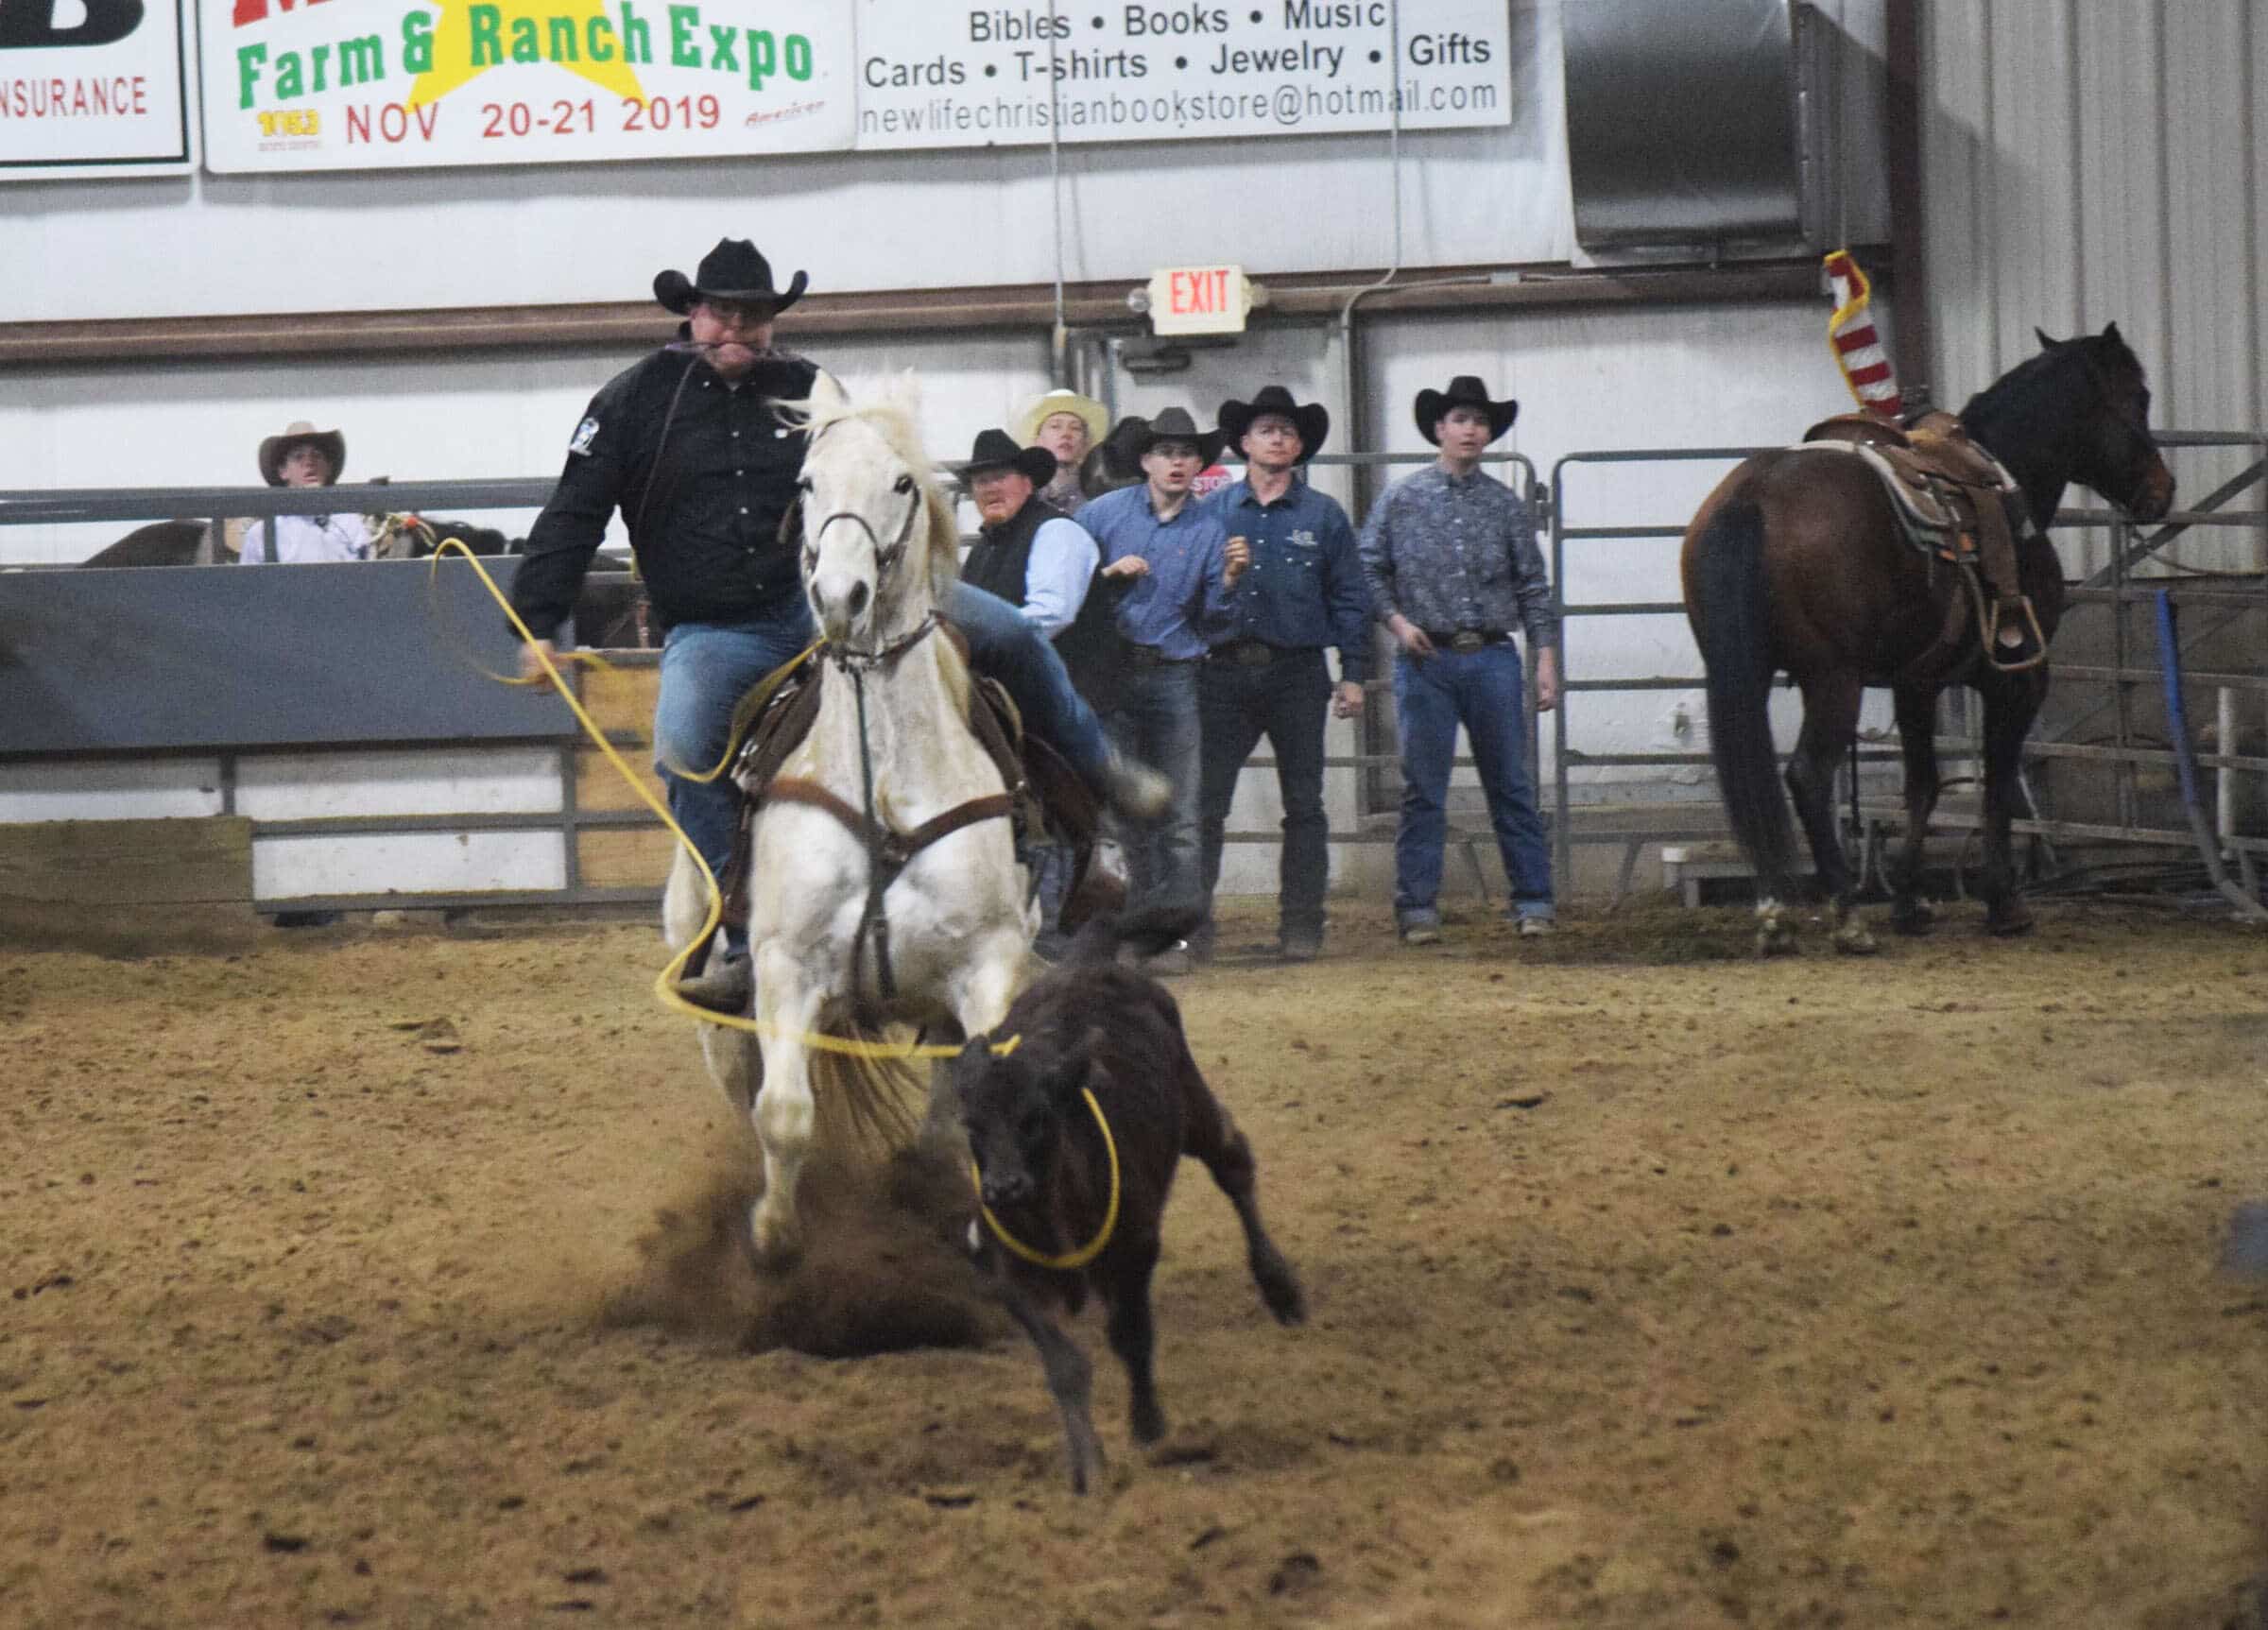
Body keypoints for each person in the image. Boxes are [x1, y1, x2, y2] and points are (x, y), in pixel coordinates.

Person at [508, 238, 1167, 1013]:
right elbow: (574, 513)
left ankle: (1095, 785)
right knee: (685, 746)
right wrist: (539, 619)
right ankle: (744, 940)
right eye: (724, 313)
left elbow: (878, 479)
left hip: (859, 601)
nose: (739, 331)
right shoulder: (632, 403)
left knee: (1013, 638)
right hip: (724, 628)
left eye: (755, 317)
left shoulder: (813, 387)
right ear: (692, 313)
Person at [1359, 376, 1562, 942]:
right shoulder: (1402, 499)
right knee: (1424, 787)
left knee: (1511, 783)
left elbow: (1533, 587)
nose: (1471, 430)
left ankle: (1533, 899)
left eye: (1479, 421)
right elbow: (1369, 568)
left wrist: (1544, 660)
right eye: (1460, 420)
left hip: (1494, 655)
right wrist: (1398, 623)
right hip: (1427, 658)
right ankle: (1417, 906)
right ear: (1439, 430)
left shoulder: (1505, 505)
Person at [1196, 385, 1372, 963]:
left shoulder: (1324, 516)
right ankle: (1190, 928)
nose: (1278, 439)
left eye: (1288, 432)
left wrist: (1352, 673)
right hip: (1220, 673)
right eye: (1267, 429)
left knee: (1305, 803)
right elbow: (1190, 590)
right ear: (1243, 443)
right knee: (1205, 804)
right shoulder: (1212, 513)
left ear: (1299, 448)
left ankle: (1302, 926)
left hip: (1297, 673)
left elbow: (1350, 596)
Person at [1077, 408, 1247, 965]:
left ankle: (1178, 931)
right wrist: (1105, 577)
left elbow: (1215, 621)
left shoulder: (1210, 531)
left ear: (1199, 465)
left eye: (1186, 454)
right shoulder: (1099, 516)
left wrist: (1226, 583)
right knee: (1130, 812)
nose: (1177, 462)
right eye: (1166, 453)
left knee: (1179, 813)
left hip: (1175, 672)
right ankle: (1143, 929)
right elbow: (1067, 588)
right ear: (1146, 461)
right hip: (1114, 673)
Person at [955, 425, 1115, 956]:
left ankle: (1054, 932)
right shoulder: (983, 551)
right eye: (979, 481)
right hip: (1006, 699)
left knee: (1053, 804)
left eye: (999, 477)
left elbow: (1052, 614)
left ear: (1028, 481)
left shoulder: (1057, 534)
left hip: (1062, 691)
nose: (988, 489)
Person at [237, 421, 371, 564]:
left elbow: (368, 579)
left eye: (317, 455)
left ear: (328, 467)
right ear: (283, 471)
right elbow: (248, 584)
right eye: (298, 457)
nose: (309, 462)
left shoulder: (349, 523)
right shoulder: (262, 534)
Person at [1013, 388, 1109, 516]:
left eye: (1075, 428)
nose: (1066, 434)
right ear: (1038, 440)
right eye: (1055, 426)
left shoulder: (1102, 497)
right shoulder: (1022, 498)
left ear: (1086, 444)